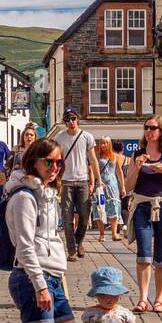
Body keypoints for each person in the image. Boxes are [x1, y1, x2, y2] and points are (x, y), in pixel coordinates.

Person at [4, 137, 90, 323]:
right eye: (48, 162)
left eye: (58, 162)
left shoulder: (49, 193)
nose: (54, 168)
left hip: (53, 279)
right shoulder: (24, 196)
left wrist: (57, 281)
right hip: (31, 280)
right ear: (34, 162)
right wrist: (40, 285)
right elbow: (25, 247)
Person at [124, 116, 162, 313]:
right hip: (142, 205)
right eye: (146, 128)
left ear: (161, 131)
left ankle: (159, 299)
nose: (149, 131)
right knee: (144, 253)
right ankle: (143, 299)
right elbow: (128, 186)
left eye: (153, 128)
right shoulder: (138, 155)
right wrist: (136, 167)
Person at [56, 110, 101, 259]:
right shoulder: (59, 138)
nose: (71, 122)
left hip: (82, 181)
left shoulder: (87, 137)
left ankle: (78, 242)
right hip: (66, 181)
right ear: (65, 122)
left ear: (78, 120)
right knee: (67, 217)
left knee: (84, 216)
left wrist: (98, 181)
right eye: (68, 119)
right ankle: (71, 250)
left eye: (74, 118)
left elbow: (93, 160)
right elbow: (55, 159)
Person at [92, 137, 125, 242]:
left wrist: (123, 186)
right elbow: (92, 171)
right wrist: (93, 183)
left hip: (112, 185)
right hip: (100, 186)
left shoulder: (114, 157)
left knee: (114, 208)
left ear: (109, 144)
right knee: (100, 209)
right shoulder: (97, 156)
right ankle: (102, 234)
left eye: (106, 142)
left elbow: (119, 172)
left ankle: (114, 233)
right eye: (102, 142)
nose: (103, 144)